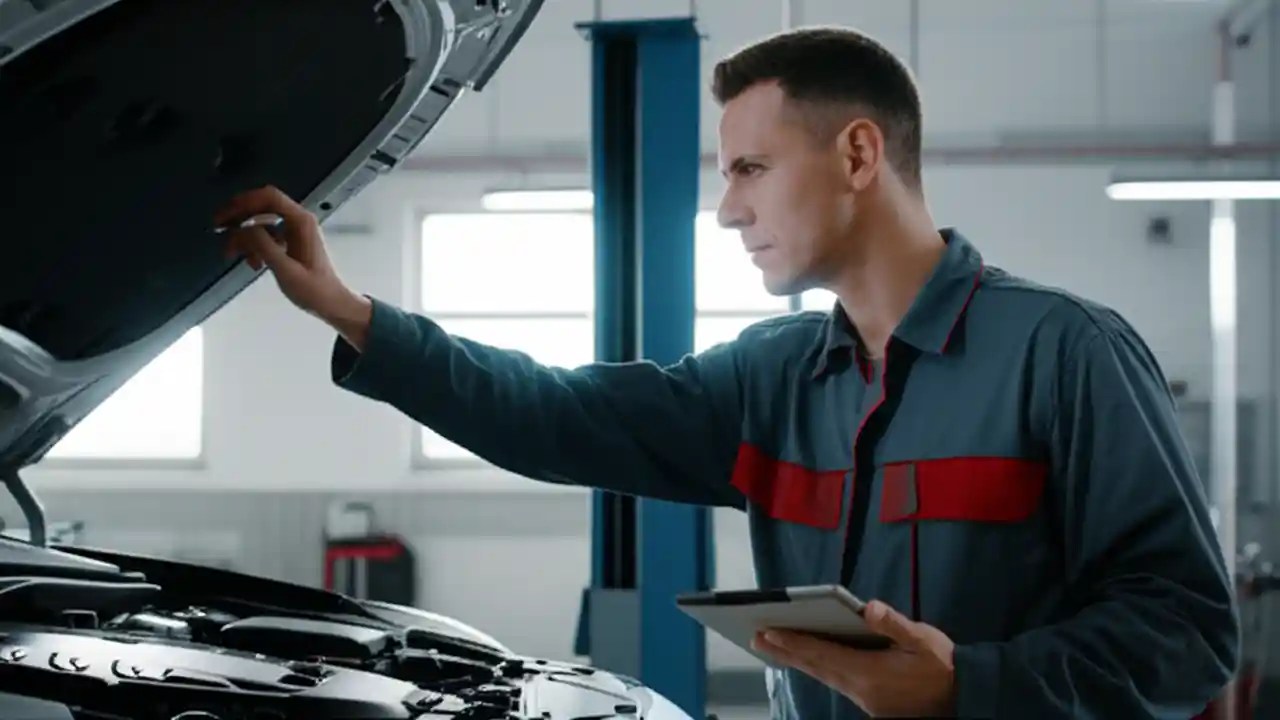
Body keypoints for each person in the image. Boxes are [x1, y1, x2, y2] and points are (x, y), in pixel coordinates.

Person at [215, 25, 1239, 720]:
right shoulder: (771, 379)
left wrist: (969, 685)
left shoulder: (1063, 356)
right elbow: (558, 415)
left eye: (749, 168)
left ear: (854, 153)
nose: (725, 209)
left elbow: (1187, 634)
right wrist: (354, 316)